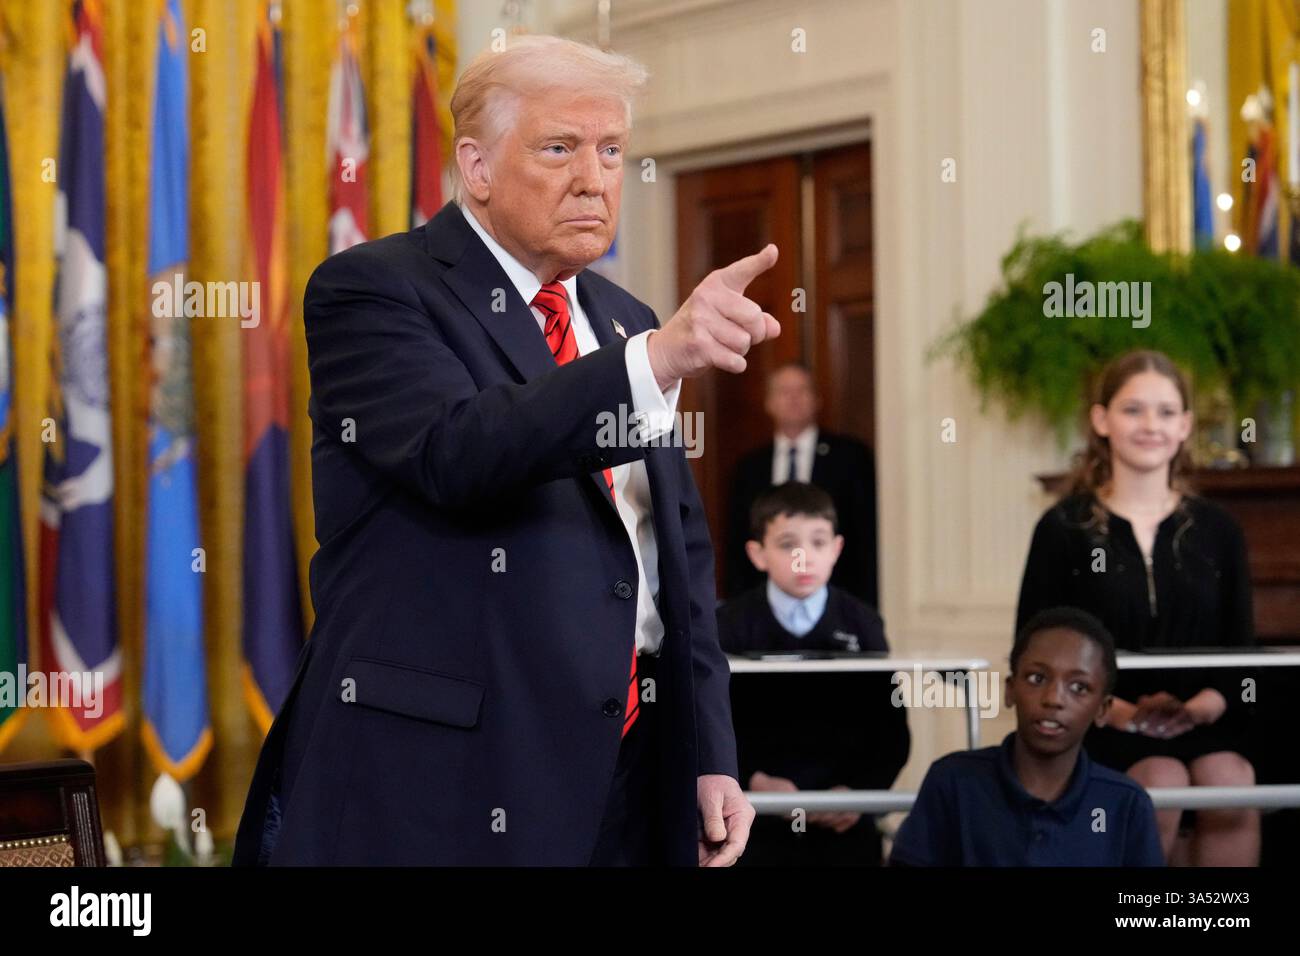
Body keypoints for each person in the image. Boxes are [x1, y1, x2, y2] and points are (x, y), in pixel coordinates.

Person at [232, 35, 782, 866]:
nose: (594, 178)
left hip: (631, 779)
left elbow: (676, 555)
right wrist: (657, 363)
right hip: (446, 781)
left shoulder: (627, 318)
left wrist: (708, 754)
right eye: (559, 147)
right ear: (477, 167)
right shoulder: (374, 289)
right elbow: (460, 450)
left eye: (610, 151)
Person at [1015, 350, 1258, 866]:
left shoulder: (1219, 530)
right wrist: (1114, 710)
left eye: (1167, 412)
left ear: (1186, 425)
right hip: (1101, 721)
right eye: (1133, 410)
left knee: (1232, 778)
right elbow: (1033, 644)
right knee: (1159, 778)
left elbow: (1243, 645)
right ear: (1102, 420)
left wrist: (1209, 701)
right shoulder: (1065, 528)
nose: (1151, 425)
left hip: (1205, 719)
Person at [717, 483, 909, 865]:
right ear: (758, 554)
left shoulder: (864, 623)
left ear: (836, 549)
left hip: (844, 821)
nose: (804, 558)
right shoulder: (728, 625)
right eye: (788, 545)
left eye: (818, 543)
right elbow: (711, 720)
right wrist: (751, 779)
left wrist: (859, 791)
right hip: (753, 816)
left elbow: (890, 729)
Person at [889, 606, 1163, 866]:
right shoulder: (953, 782)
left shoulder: (1126, 804)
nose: (1054, 699)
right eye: (1036, 678)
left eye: (1079, 687)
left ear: (1102, 710)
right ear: (1010, 689)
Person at [725, 362, 878, 605]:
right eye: (784, 392)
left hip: (838, 596)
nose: (793, 399)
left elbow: (866, 537)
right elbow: (737, 540)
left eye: (802, 391)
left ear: (817, 399)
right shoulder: (749, 467)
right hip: (763, 600)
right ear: (769, 402)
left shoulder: (850, 457)